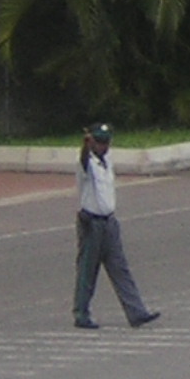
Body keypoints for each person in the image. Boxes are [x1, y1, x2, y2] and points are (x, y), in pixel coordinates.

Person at [73, 123, 159, 331]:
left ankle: (136, 312)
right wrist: (85, 146)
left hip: (109, 222)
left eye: (106, 142)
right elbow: (84, 160)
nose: (104, 146)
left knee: (120, 268)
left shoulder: (107, 160)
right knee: (88, 271)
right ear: (92, 143)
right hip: (91, 222)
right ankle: (81, 313)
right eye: (100, 142)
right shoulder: (87, 163)